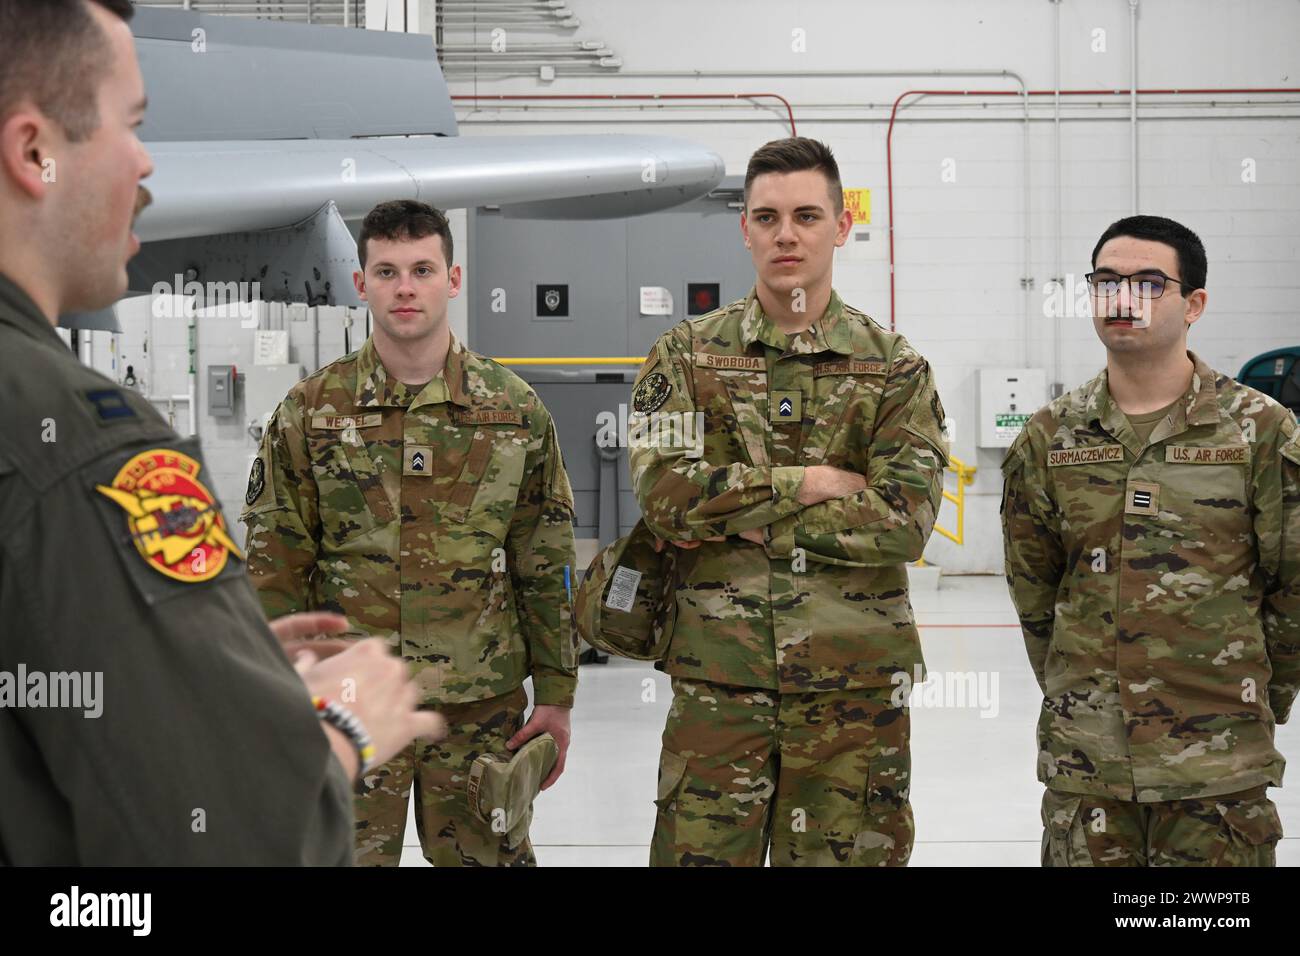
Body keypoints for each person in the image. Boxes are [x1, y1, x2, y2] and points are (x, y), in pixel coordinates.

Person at [0, 0, 442, 865]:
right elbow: (232, 840)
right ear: (34, 153)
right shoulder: (87, 452)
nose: (146, 162)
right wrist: (341, 731)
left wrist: (184, 659)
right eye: (130, 125)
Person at [627, 137, 949, 866]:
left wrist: (737, 514)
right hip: (719, 685)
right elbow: (667, 498)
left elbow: (903, 521)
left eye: (807, 215)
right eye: (767, 217)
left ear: (841, 225)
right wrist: (805, 483)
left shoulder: (894, 368)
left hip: (853, 692)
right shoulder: (685, 356)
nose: (786, 234)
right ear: (744, 228)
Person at [242, 199, 580, 866]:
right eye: (387, 271)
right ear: (362, 282)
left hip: (480, 706)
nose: (405, 288)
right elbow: (274, 566)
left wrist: (559, 695)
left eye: (422, 269)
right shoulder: (311, 413)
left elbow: (545, 561)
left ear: (452, 280)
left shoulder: (514, 411)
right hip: (350, 700)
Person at [1001, 214, 1300, 866]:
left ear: (1194, 303)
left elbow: (1293, 585)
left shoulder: (1260, 430)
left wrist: (1253, 698)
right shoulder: (1049, 439)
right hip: (1089, 771)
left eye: (1147, 282)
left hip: (1216, 770)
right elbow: (1037, 594)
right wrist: (1082, 697)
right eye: (1106, 282)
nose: (1122, 298)